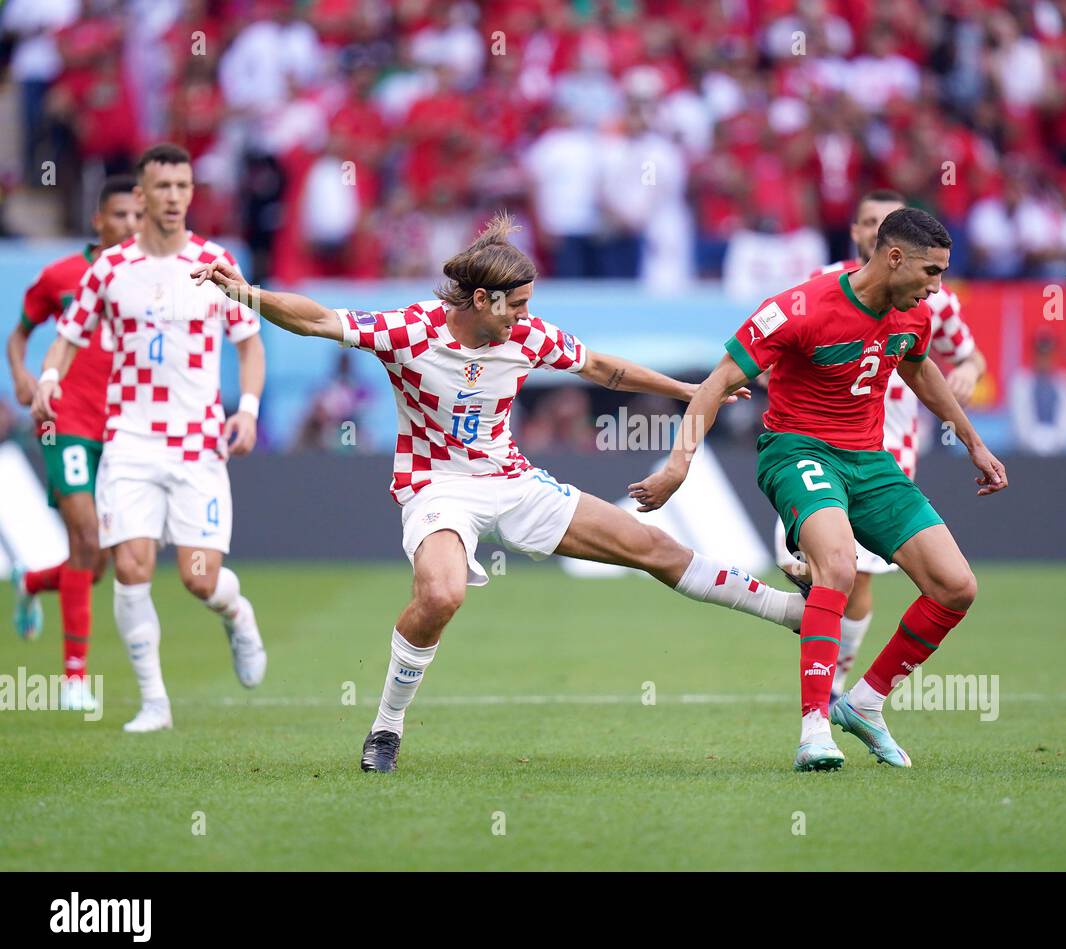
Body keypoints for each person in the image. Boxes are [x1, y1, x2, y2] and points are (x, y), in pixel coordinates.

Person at [190, 213, 809, 774]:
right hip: (435, 486)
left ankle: (789, 613)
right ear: (481, 299)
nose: (524, 316)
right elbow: (318, 319)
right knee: (441, 593)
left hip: (510, 482)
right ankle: (386, 726)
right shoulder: (411, 330)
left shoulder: (527, 336)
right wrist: (247, 293)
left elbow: (604, 370)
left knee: (652, 547)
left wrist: (689, 391)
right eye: (515, 305)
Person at [631, 208, 1008, 772]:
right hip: (798, 453)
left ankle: (866, 704)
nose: (937, 286)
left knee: (956, 587)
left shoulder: (914, 317)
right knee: (837, 567)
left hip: (871, 463)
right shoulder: (801, 307)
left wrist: (975, 444)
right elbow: (717, 382)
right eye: (931, 272)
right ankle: (814, 730)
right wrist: (677, 467)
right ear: (894, 257)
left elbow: (921, 371)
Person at [30, 143, 268, 733]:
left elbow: (249, 343)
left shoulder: (216, 263)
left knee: (198, 578)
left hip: (197, 444)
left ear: (191, 193)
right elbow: (68, 334)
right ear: (141, 195)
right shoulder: (110, 270)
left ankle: (236, 613)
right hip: (130, 442)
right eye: (160, 187)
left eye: (182, 187)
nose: (172, 197)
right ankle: (154, 704)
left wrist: (250, 409)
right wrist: (50, 377)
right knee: (132, 566)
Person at [774, 188, 987, 706]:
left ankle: (840, 684)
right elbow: (785, 337)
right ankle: (828, 687)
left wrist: (964, 375)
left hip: (889, 448)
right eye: (868, 221)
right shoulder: (822, 283)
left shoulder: (931, 295)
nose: (875, 228)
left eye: (883, 221)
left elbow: (968, 359)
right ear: (858, 233)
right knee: (834, 569)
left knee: (856, 580)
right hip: (816, 438)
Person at [7, 174, 141, 711]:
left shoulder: (147, 279)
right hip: (64, 422)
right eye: (121, 216)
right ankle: (73, 678)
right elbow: (19, 331)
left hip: (123, 429)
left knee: (99, 559)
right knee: (84, 537)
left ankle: (33, 581)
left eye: (138, 217)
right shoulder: (61, 276)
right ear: (98, 220)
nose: (130, 225)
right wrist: (20, 373)